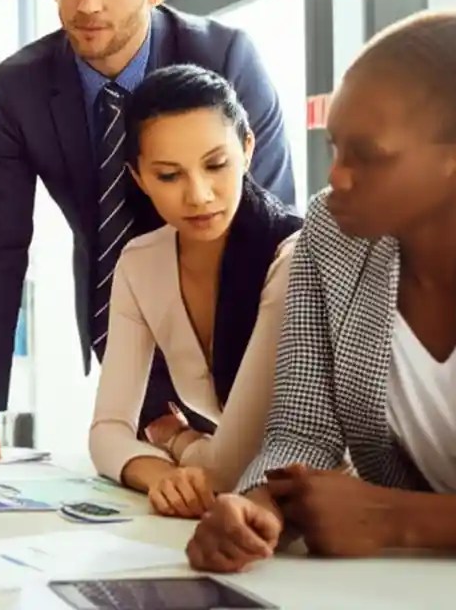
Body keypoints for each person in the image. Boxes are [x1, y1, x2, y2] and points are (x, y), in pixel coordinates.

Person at [187, 0, 456, 571]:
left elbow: (388, 515)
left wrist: (400, 520)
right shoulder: (331, 233)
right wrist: (257, 509)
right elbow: (301, 429)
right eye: (336, 146)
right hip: (407, 587)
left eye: (368, 156)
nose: (336, 179)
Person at [0, 0, 297, 459]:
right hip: (119, 314)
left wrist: (223, 396)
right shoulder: (21, 87)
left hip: (230, 320)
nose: (87, 4)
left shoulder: (226, 61)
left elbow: (268, 226)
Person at [90, 64, 300, 518]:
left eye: (216, 165)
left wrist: (176, 440)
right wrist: (160, 476)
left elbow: (231, 467)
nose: (199, 195)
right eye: (169, 175)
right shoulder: (141, 263)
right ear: (139, 176)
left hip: (321, 506)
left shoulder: (292, 255)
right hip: (241, 512)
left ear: (247, 149)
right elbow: (107, 430)